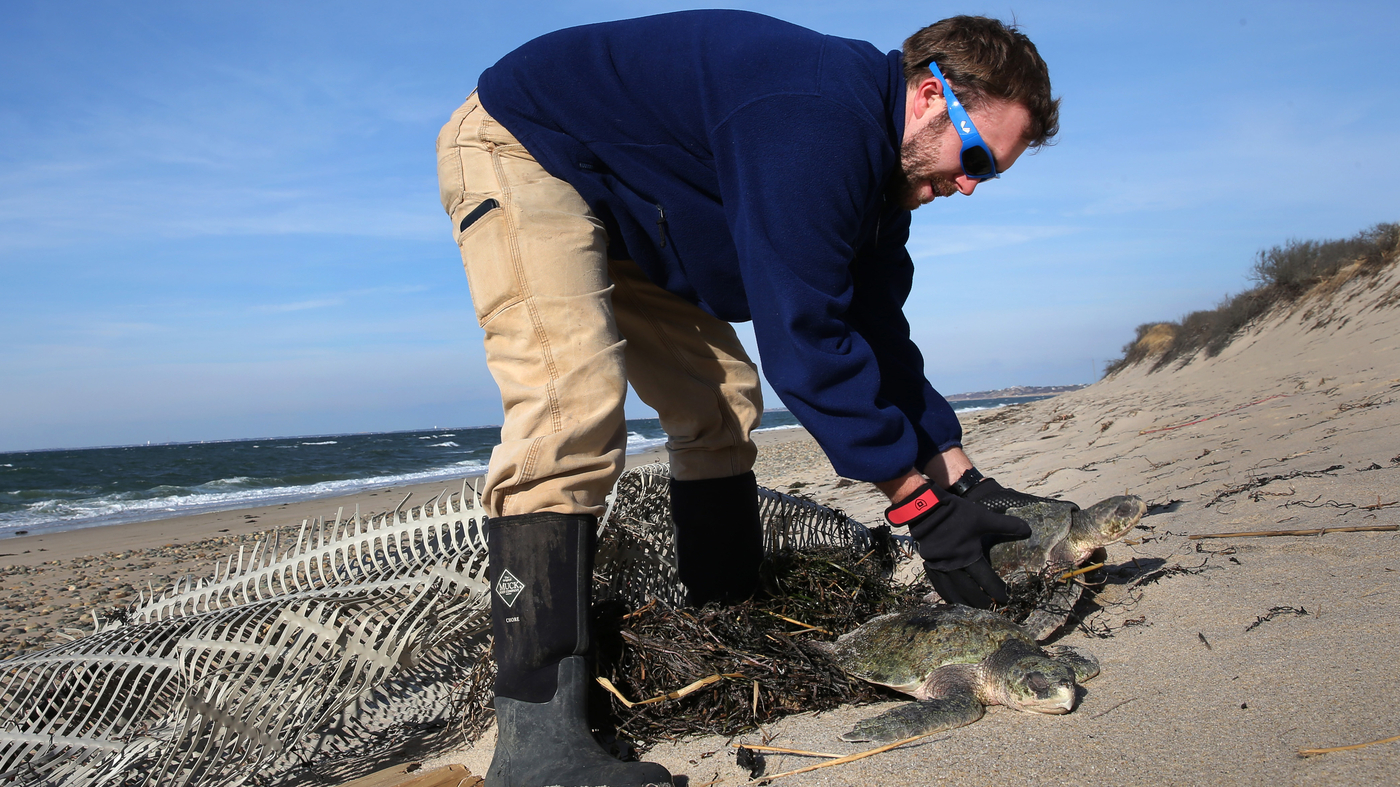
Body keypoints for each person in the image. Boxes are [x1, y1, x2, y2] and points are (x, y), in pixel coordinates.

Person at [436, 11, 1062, 786]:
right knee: (572, 408)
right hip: (522, 146)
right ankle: (536, 741)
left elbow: (876, 336)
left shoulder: (879, 180)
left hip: (621, 198)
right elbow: (803, 339)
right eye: (976, 158)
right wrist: (916, 506)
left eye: (987, 172)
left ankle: (724, 619)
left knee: (722, 399)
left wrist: (961, 482)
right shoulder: (815, 122)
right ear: (930, 95)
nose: (969, 183)